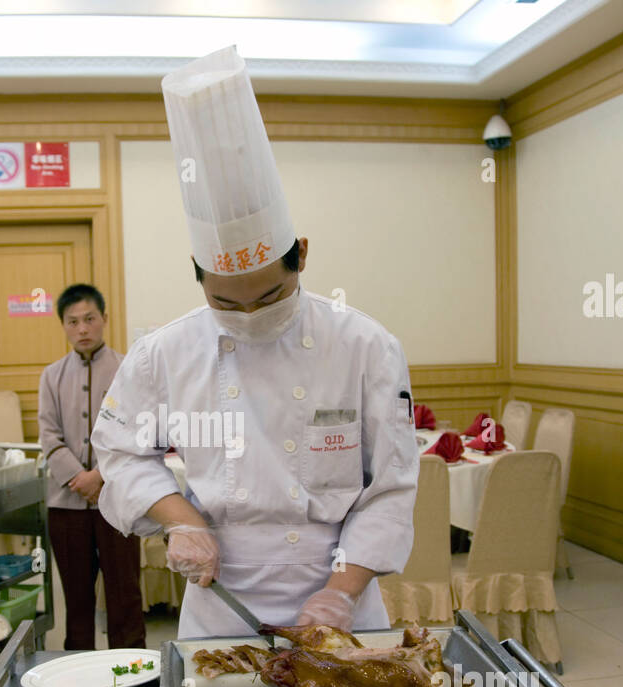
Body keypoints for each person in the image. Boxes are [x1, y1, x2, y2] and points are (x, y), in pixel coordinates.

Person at [91, 46, 419, 638]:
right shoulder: (164, 353)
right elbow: (118, 450)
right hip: (221, 605)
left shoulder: (366, 346)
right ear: (198, 274)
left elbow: (391, 485)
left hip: (343, 593)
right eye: (226, 303)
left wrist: (341, 594)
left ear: (303, 257)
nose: (249, 316)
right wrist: (182, 519)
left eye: (269, 298)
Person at [37, 284, 146, 650]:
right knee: (77, 598)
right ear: (63, 326)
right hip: (65, 506)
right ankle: (78, 679)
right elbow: (49, 437)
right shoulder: (51, 376)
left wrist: (100, 475)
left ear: (104, 320)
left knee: (124, 593)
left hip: (118, 501)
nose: (82, 329)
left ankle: (135, 674)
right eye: (73, 322)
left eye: (89, 319)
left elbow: (136, 432)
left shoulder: (128, 369)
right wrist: (78, 478)